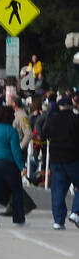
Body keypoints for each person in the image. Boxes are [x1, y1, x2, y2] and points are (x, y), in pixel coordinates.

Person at [0, 106, 27, 227]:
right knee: (17, 191)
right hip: (8, 163)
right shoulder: (11, 131)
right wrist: (21, 166)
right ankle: (19, 219)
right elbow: (16, 151)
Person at [41, 94, 79, 229]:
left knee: (58, 190)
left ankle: (58, 221)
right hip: (73, 158)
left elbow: (43, 134)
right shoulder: (76, 120)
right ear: (71, 107)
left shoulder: (52, 120)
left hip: (55, 158)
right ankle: (76, 211)